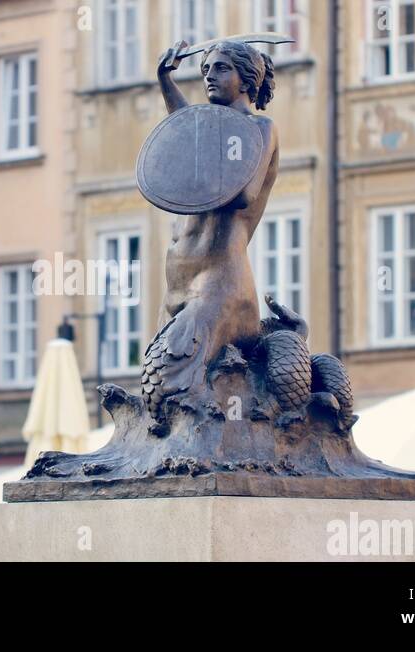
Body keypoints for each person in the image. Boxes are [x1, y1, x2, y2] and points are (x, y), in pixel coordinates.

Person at [141, 39, 285, 431]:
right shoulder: (208, 130)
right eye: (205, 70)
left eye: (220, 68)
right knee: (154, 400)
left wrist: (197, 151)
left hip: (219, 283)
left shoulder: (259, 129)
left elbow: (241, 194)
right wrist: (165, 81)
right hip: (178, 283)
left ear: (246, 78)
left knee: (171, 384)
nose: (209, 76)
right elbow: (185, 129)